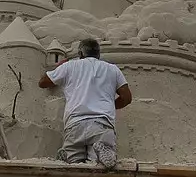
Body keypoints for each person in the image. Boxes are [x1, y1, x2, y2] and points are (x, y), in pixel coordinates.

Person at [38, 38, 132, 169]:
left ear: (80, 54)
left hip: (75, 124)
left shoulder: (70, 66)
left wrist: (59, 67)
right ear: (98, 55)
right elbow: (127, 97)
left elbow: (43, 82)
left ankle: (68, 158)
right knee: (99, 169)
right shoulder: (112, 69)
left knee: (74, 168)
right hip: (102, 124)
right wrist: (110, 104)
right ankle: (103, 154)